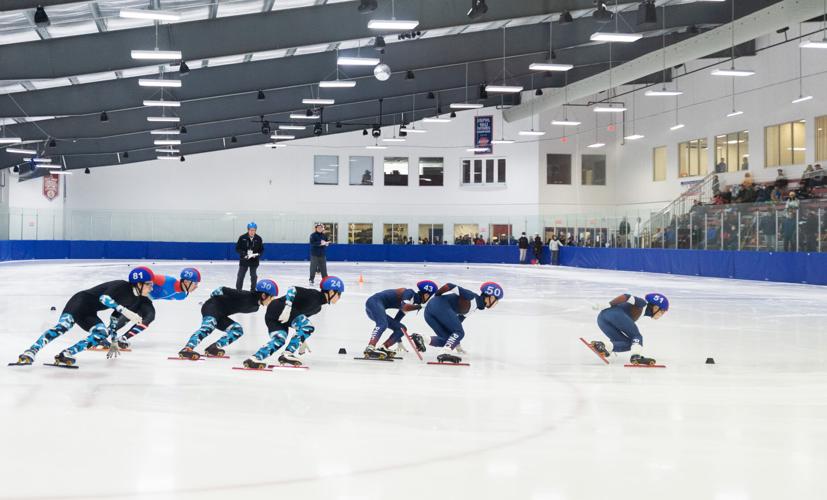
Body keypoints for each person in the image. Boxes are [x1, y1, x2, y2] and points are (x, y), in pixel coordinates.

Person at [14, 267, 155, 367]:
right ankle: (31, 351)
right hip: (79, 302)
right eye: (149, 285)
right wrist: (126, 311)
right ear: (139, 283)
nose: (151, 289)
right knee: (63, 327)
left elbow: (114, 318)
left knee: (102, 333)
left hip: (89, 312)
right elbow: (104, 299)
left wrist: (113, 340)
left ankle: (67, 353)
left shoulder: (133, 299)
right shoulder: (121, 285)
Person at [243, 276, 345, 368]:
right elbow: (292, 288)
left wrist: (301, 340)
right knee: (308, 327)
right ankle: (288, 353)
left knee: (279, 340)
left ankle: (255, 358)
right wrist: (287, 307)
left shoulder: (317, 308)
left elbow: (298, 322)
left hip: (273, 314)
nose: (339, 297)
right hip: (279, 307)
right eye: (339, 293)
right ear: (331, 291)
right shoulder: (314, 295)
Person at [100, 267, 201, 350]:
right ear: (187, 282)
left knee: (150, 316)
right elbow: (141, 279)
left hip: (145, 300)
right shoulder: (166, 281)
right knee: (129, 314)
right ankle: (101, 336)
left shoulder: (182, 295)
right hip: (136, 295)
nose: (196, 287)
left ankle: (123, 338)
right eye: (195, 283)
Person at [178, 279, 279, 360]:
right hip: (211, 307)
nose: (273, 300)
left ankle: (214, 347)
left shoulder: (255, 307)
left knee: (237, 330)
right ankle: (187, 348)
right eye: (272, 297)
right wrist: (212, 300)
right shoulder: (245, 295)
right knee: (208, 327)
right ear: (263, 295)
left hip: (221, 314)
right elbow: (222, 289)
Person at [412, 282, 503, 364]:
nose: (496, 304)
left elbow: (456, 324)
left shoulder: (473, 307)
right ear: (491, 297)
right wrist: (437, 295)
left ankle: (421, 338)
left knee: (447, 340)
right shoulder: (471, 297)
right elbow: (450, 286)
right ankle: (445, 352)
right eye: (497, 301)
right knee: (460, 332)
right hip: (438, 306)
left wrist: (456, 343)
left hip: (429, 313)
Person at [362, 280, 438, 360]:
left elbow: (397, 322)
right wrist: (422, 306)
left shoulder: (412, 304)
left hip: (374, 307)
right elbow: (405, 307)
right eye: (430, 296)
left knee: (402, 329)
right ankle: (370, 348)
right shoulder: (409, 293)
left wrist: (399, 342)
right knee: (382, 324)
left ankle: (384, 347)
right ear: (426, 295)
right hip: (373, 302)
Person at [587, 292, 668, 366]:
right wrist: (608, 304)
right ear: (656, 307)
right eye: (662, 311)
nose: (662, 315)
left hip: (601, 319)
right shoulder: (642, 304)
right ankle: (636, 357)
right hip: (615, 314)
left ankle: (603, 346)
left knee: (628, 344)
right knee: (636, 336)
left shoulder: (640, 310)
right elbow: (626, 296)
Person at [236, 222, 264, 292]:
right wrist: (243, 254)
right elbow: (237, 248)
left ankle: (253, 290)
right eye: (251, 230)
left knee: (253, 276)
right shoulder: (242, 238)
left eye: (254, 230)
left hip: (254, 260)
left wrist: (257, 255)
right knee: (240, 276)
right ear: (248, 230)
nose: (252, 232)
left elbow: (261, 250)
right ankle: (238, 291)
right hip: (244, 260)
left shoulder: (258, 238)